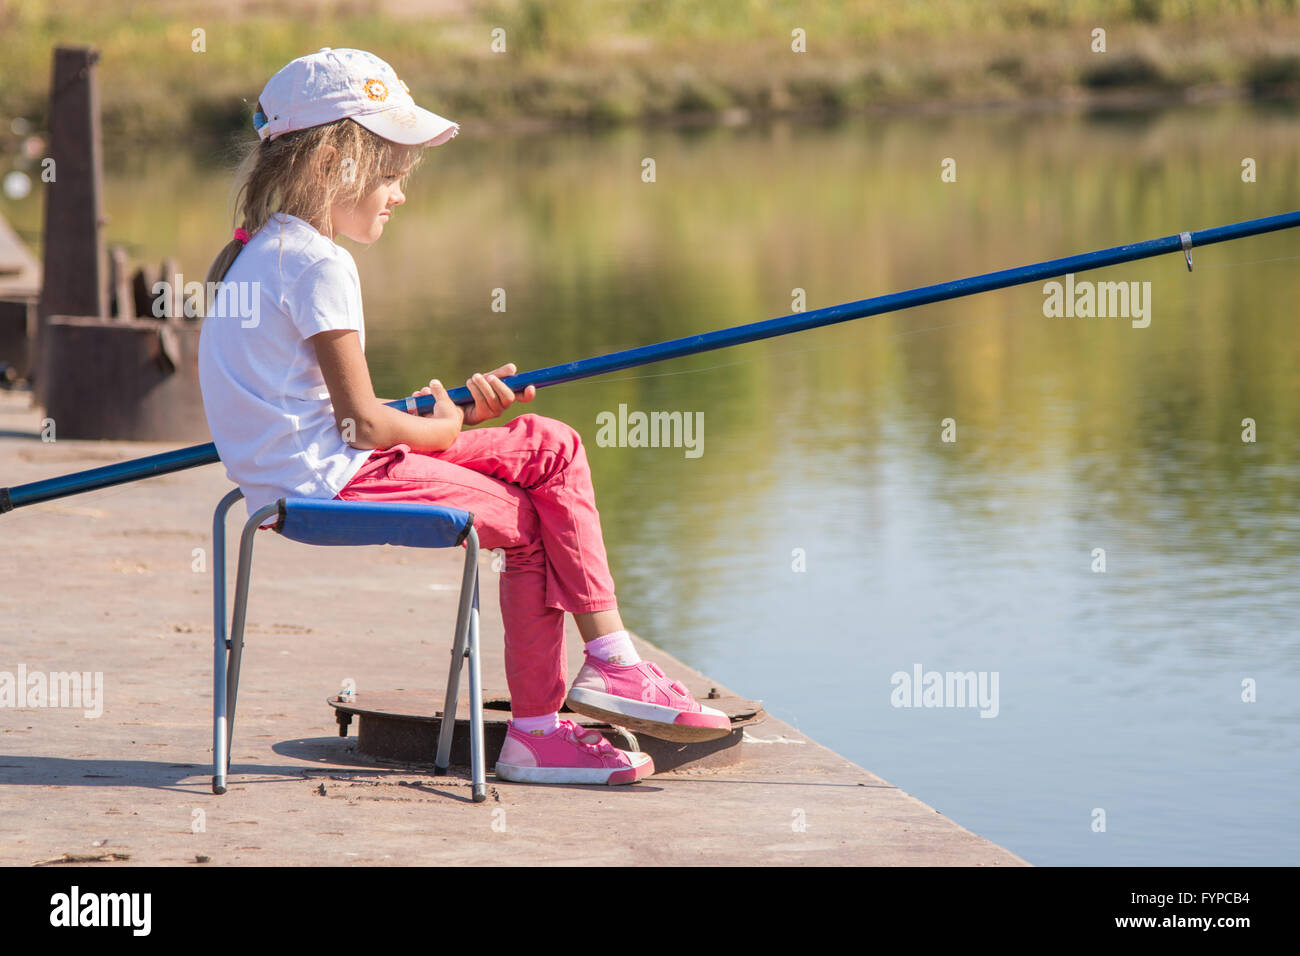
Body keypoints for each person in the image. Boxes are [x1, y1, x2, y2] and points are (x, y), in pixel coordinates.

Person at [197, 48, 729, 786]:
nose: (399, 194)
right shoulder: (319, 263)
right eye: (390, 174)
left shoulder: (262, 254)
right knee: (535, 516)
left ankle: (612, 665)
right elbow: (361, 428)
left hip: (311, 473)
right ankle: (543, 729)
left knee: (552, 444)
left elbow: (327, 410)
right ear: (329, 165)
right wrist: (442, 432)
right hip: (337, 482)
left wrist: (451, 411)